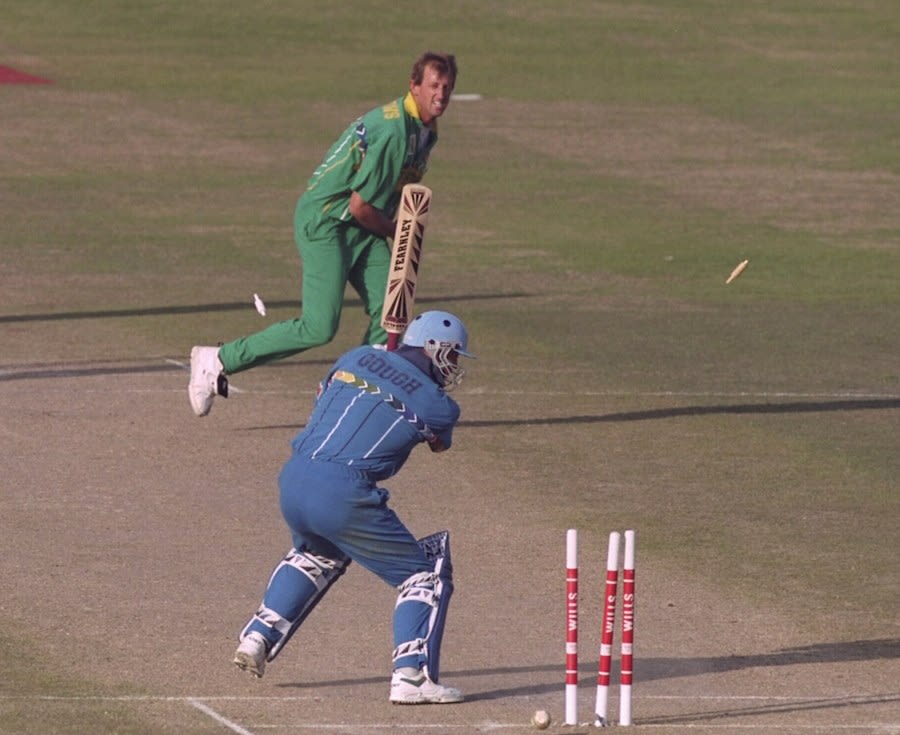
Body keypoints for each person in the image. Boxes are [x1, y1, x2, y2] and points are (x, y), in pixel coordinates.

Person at [188, 51, 458, 417]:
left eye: (447, 87)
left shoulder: (426, 129)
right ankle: (217, 360)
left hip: (361, 226)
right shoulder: (396, 131)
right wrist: (400, 233)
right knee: (320, 326)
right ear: (414, 86)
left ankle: (355, 392)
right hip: (328, 221)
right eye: (433, 86)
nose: (441, 94)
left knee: (392, 314)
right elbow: (362, 205)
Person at [232, 311, 474, 704]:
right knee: (423, 574)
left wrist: (380, 366)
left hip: (294, 477)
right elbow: (439, 444)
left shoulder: (355, 356)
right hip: (343, 491)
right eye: (452, 354)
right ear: (433, 348)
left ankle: (258, 636)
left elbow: (324, 392)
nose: (455, 365)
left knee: (318, 555)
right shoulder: (440, 406)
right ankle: (411, 676)